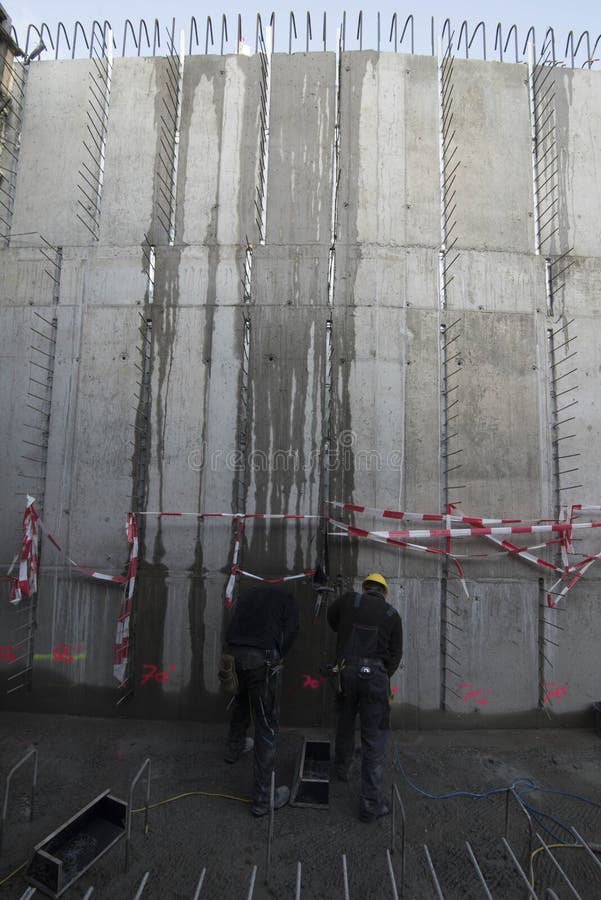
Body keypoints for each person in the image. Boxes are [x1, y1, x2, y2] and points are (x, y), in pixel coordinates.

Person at [327, 572, 403, 822]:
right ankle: (370, 804)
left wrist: (344, 632)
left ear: (365, 588)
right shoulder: (392, 614)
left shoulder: (349, 600)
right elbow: (396, 654)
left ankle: (342, 767)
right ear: (384, 593)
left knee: (345, 721)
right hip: (375, 678)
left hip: (345, 673)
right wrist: (381, 675)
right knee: (373, 738)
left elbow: (331, 618)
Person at [223, 583, 300, 817]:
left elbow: (230, 626)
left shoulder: (246, 595)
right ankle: (263, 799)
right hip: (262, 660)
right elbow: (292, 629)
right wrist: (278, 655)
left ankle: (234, 748)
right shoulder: (287, 598)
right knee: (266, 724)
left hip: (234, 655)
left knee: (240, 700)